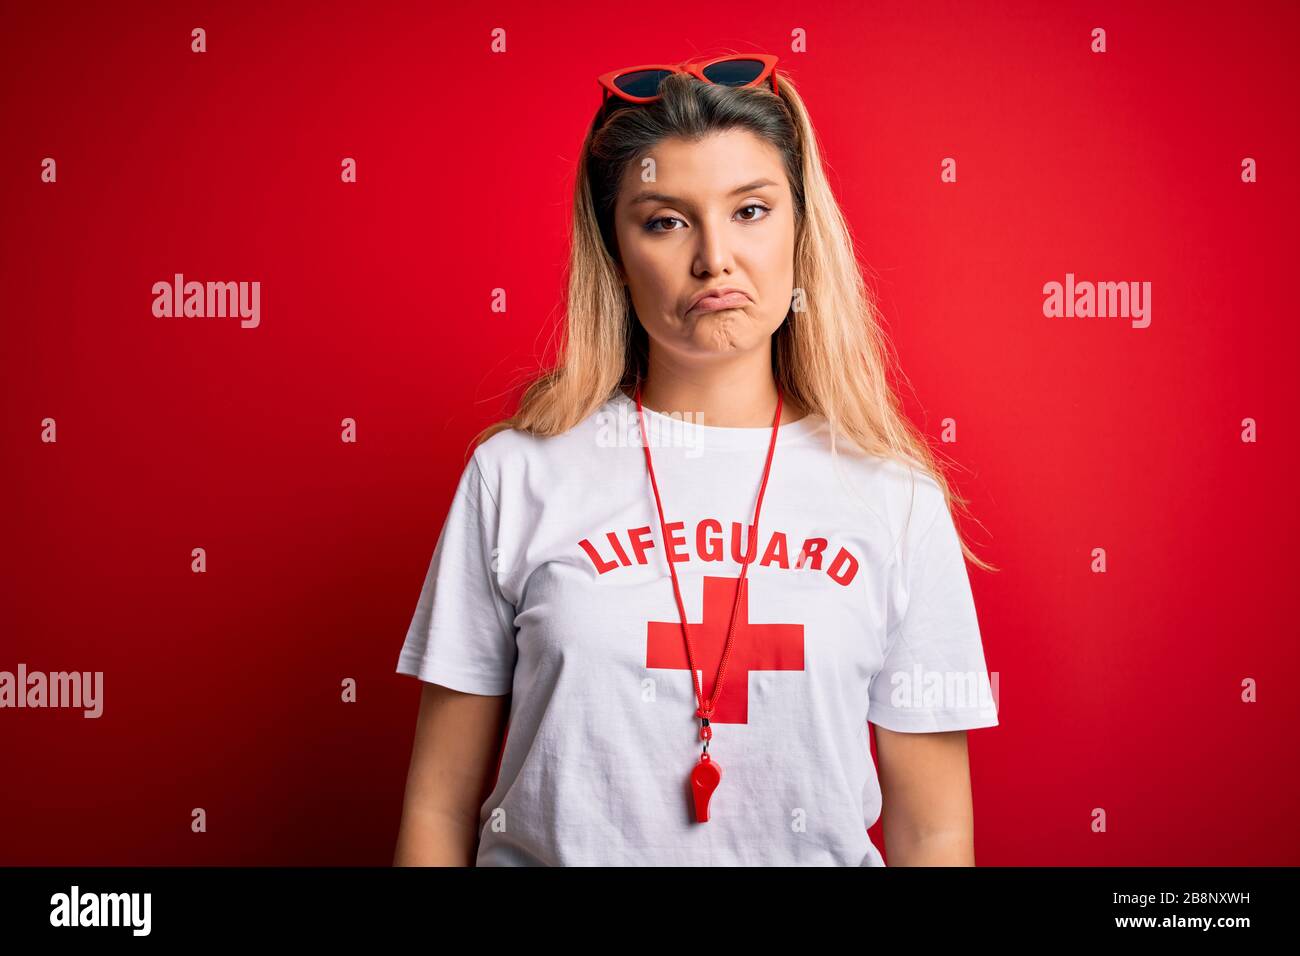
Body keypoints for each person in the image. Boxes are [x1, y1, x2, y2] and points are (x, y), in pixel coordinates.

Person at [392, 52, 999, 866]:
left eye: (750, 209)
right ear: (614, 251)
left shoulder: (898, 500)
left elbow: (935, 833)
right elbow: (436, 806)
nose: (714, 258)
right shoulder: (515, 475)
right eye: (664, 220)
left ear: (800, 228)